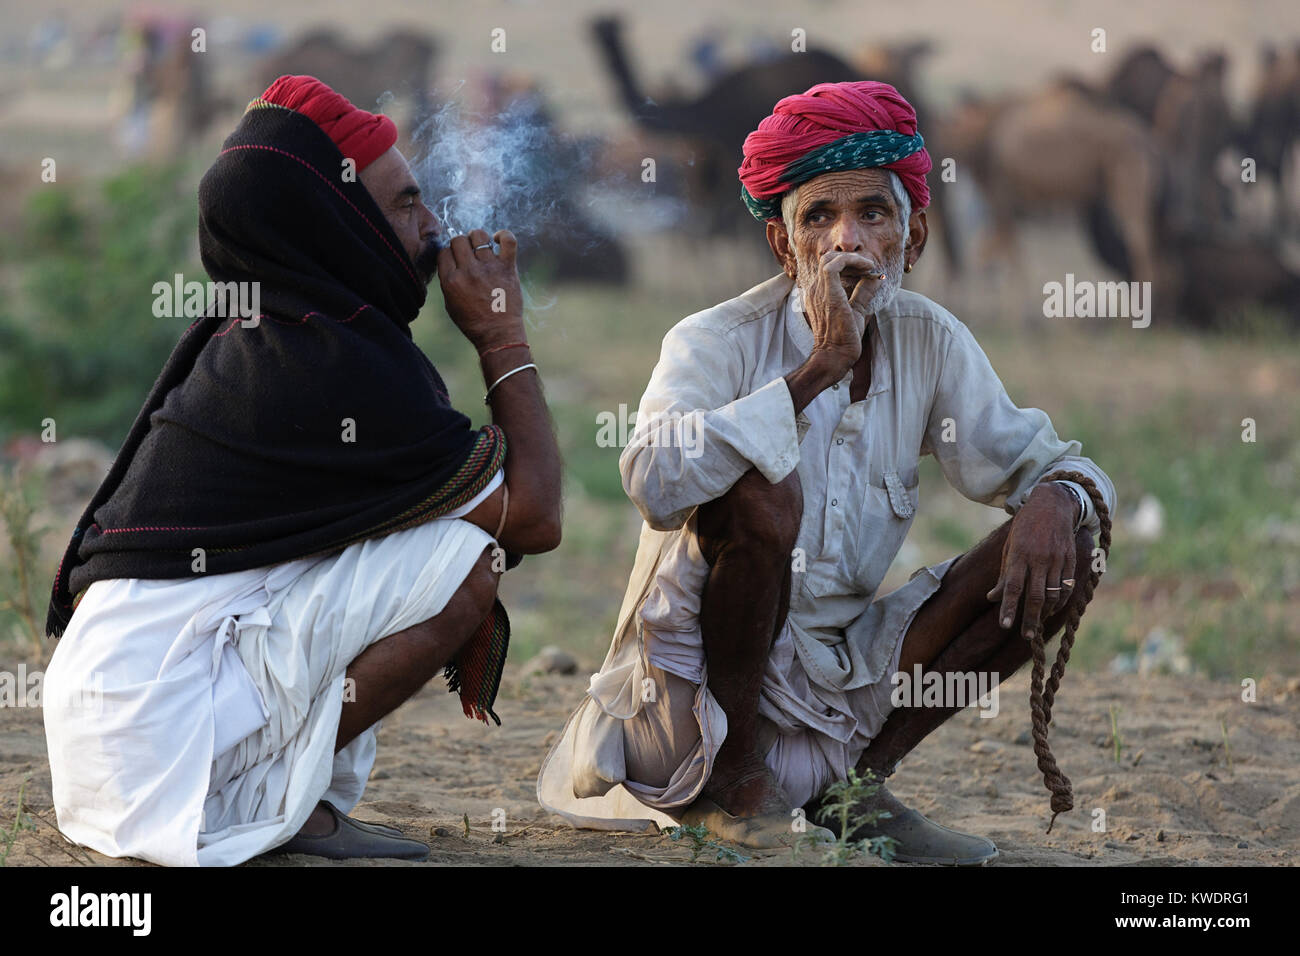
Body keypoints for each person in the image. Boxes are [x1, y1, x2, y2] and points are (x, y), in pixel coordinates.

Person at [538, 80, 1115, 864]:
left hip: (836, 690)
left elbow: (1048, 462)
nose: (848, 240)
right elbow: (652, 482)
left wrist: (1057, 495)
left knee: (1070, 539)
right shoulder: (713, 342)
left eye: (872, 214)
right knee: (761, 484)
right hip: (688, 712)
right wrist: (813, 373)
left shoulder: (929, 341)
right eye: (819, 217)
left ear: (911, 241)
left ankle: (854, 791)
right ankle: (738, 783)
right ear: (785, 246)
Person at [42, 75, 562, 866]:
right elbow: (534, 520)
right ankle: (269, 802)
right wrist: (502, 338)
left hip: (116, 744)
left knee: (409, 541)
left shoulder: (268, 331)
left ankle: (284, 794)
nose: (431, 230)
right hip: (156, 751)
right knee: (467, 558)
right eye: (403, 206)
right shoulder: (334, 362)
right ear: (336, 222)